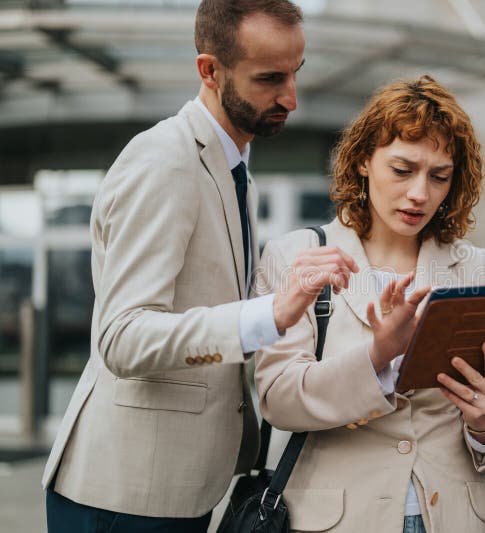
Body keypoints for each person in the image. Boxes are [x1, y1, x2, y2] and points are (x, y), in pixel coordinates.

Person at [42, 1, 359, 531]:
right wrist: (269, 314)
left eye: (295, 73)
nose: (291, 98)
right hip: (125, 497)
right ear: (209, 71)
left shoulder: (232, 167)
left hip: (175, 488)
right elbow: (121, 337)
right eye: (269, 79)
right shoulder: (166, 160)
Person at [253, 75, 485, 533]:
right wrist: (377, 356)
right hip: (338, 521)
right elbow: (278, 399)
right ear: (362, 161)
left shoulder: (475, 266)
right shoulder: (297, 256)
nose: (420, 193)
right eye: (402, 170)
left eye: (439, 176)